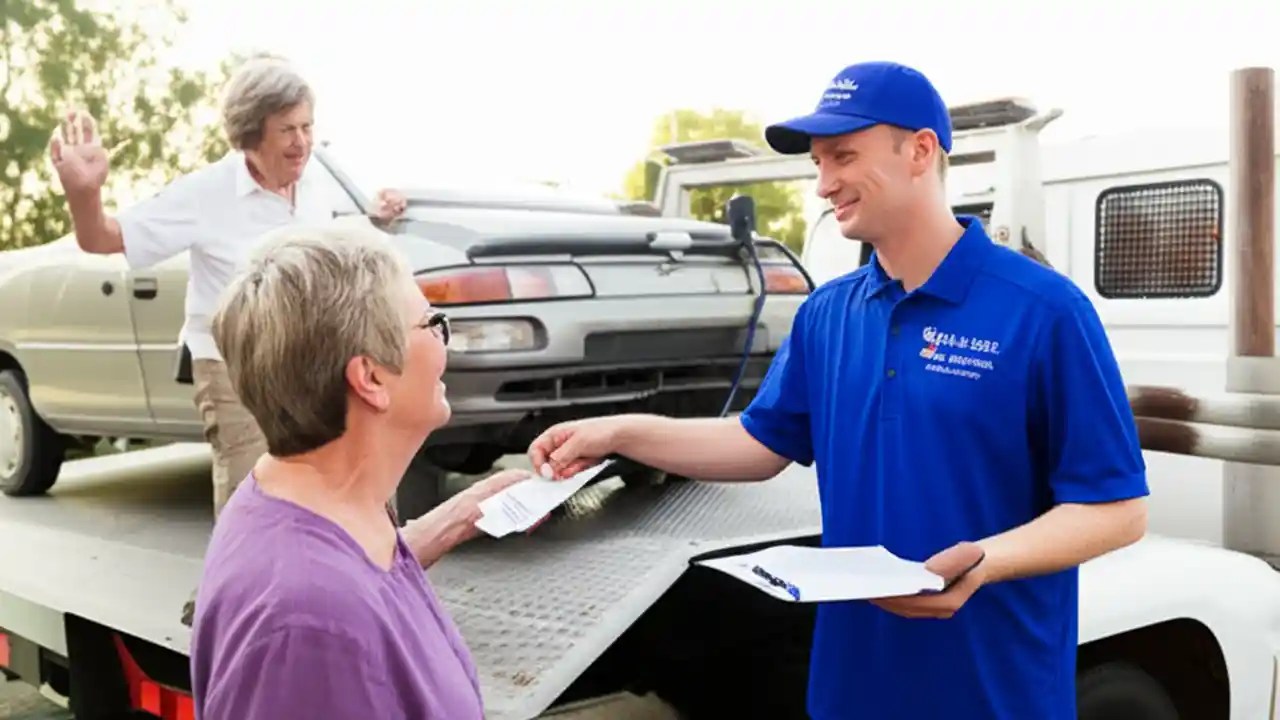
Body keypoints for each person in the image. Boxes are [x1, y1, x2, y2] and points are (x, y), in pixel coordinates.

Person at [528, 60, 1149, 720]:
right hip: (851, 689)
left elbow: (1116, 510)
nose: (824, 183)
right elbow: (758, 443)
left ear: (919, 151)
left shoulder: (1042, 310)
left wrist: (988, 562)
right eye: (819, 162)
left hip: (993, 691)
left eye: (844, 156)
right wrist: (620, 432)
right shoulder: (828, 314)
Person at [47, 54, 408, 624]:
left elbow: (346, 226)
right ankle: (230, 603)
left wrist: (377, 212)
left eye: (308, 126)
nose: (302, 142)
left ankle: (378, 585)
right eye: (287, 129)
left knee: (358, 464)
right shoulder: (206, 193)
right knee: (252, 489)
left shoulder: (313, 180)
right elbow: (100, 239)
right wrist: (83, 194)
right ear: (249, 133)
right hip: (234, 361)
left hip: (312, 358)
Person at [189, 220, 528, 719]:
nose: (445, 342)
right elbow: (334, 603)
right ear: (370, 377)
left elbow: (360, 575)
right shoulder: (310, 626)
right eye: (432, 324)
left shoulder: (309, 497)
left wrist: (460, 517)